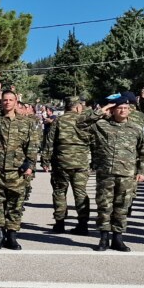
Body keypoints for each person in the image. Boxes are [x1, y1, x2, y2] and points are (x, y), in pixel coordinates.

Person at [0, 75, 40, 250]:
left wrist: (30, 165)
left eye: (11, 100)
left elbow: (32, 145)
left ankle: (12, 235)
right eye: (4, 100)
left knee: (15, 204)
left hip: (17, 170)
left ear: (16, 101)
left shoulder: (26, 123)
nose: (7, 102)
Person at [80, 96, 144, 252]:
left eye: (125, 108)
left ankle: (118, 238)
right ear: (113, 109)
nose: (122, 110)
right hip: (106, 174)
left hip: (127, 175)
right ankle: (103, 238)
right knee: (104, 206)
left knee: (122, 207)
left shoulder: (136, 128)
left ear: (130, 110)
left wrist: (142, 171)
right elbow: (81, 123)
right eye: (119, 107)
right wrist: (102, 110)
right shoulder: (102, 125)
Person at [40, 96, 91, 235]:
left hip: (61, 163)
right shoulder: (84, 120)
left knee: (59, 192)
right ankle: (83, 225)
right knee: (81, 193)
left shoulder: (59, 121)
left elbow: (49, 141)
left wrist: (45, 161)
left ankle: (60, 224)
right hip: (80, 163)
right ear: (78, 107)